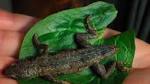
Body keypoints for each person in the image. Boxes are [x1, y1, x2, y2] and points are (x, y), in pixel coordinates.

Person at [0, 9, 150, 84]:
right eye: (16, 72)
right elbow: (45, 50)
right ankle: (93, 34)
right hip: (88, 54)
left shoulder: (46, 73)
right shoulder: (42, 62)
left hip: (91, 55)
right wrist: (38, 44)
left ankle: (116, 63)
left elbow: (57, 80)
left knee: (103, 75)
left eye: (15, 66)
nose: (14, 66)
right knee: (79, 38)